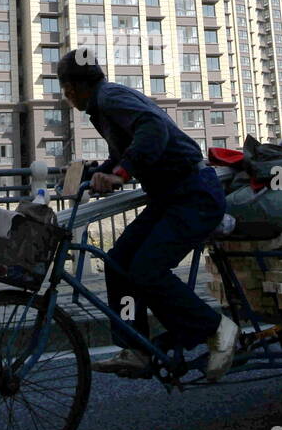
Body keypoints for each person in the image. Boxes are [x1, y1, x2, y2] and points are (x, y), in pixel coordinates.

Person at [57, 48, 238, 381]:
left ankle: (217, 328)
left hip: (194, 194)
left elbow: (154, 128)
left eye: (66, 88)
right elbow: (124, 153)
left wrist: (122, 174)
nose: (66, 97)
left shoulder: (109, 97)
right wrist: (95, 174)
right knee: (118, 261)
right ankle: (137, 349)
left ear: (76, 85)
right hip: (170, 197)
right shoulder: (101, 108)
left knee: (146, 269)